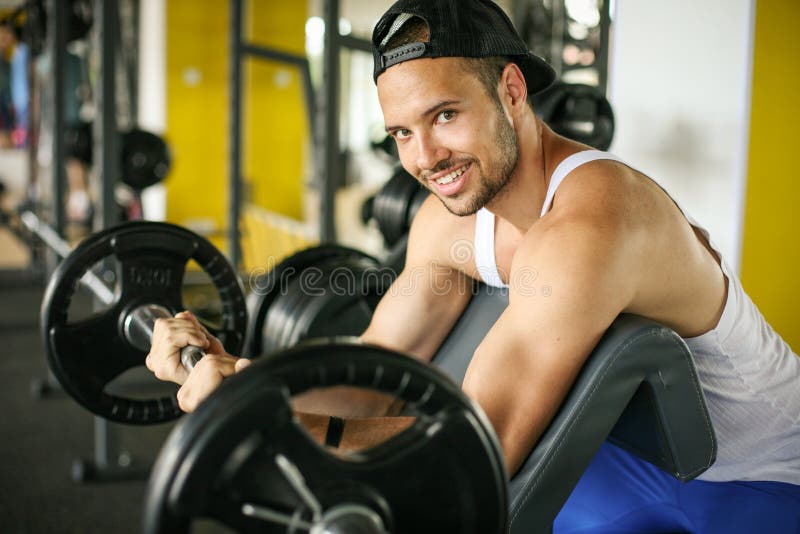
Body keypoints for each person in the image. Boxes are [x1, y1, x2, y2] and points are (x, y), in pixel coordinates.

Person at [147, 0, 800, 531]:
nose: (424, 155)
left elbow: (480, 448)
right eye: (402, 132)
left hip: (757, 482)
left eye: (445, 115)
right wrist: (240, 376)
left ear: (512, 90)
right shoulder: (448, 221)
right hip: (620, 455)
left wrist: (265, 413)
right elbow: (376, 373)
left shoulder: (593, 222)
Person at [0, 20, 29, 147]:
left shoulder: (19, 52)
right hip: (18, 100)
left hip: (19, 100)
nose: (4, 40)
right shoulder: (16, 54)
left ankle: (21, 143)